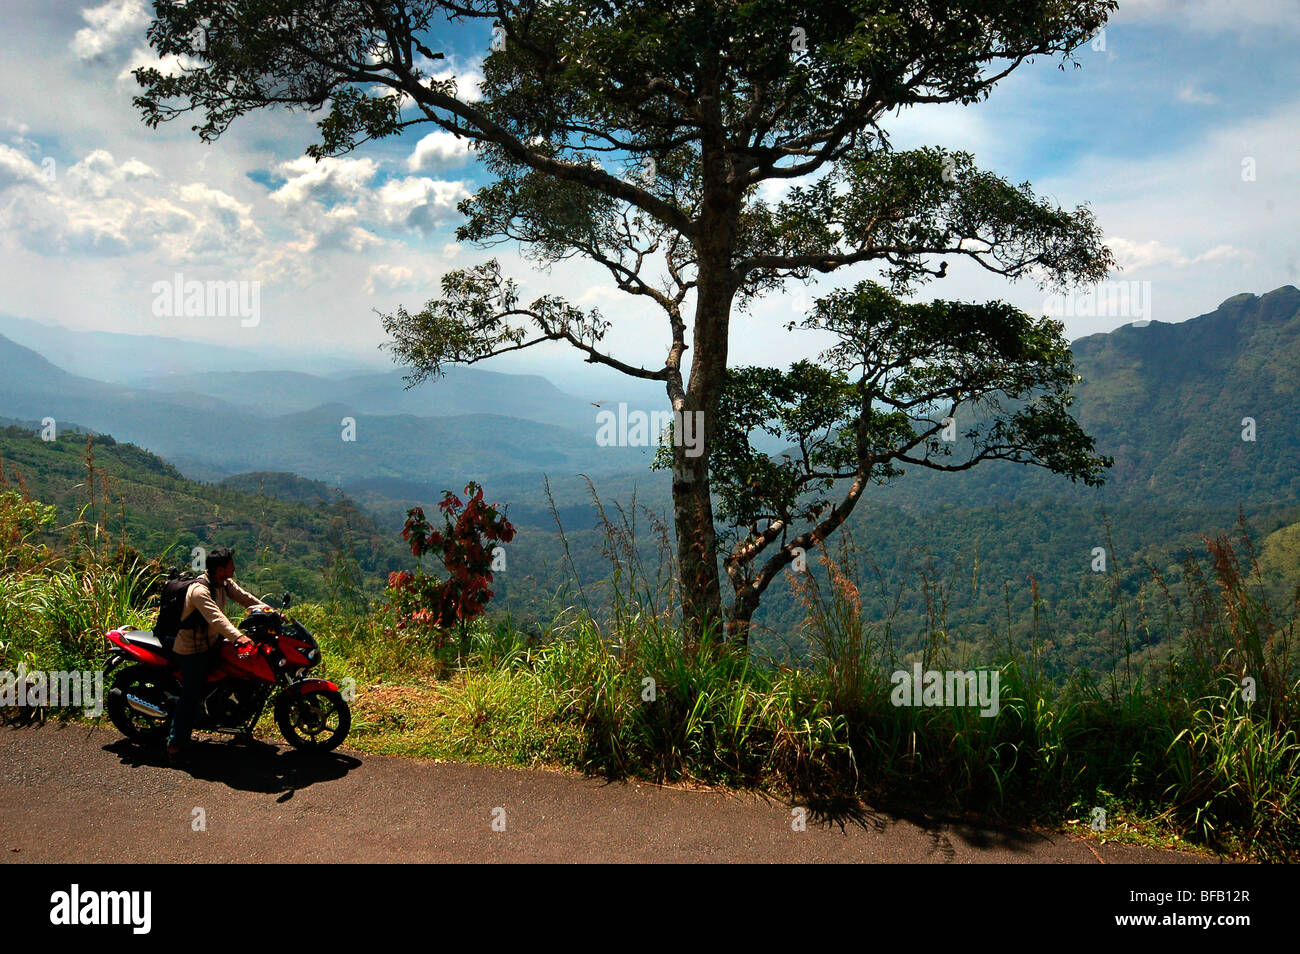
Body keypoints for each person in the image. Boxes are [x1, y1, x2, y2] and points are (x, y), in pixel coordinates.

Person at [165, 547, 272, 765]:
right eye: (232, 565)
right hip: (191, 650)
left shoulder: (224, 583)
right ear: (221, 569)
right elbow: (217, 619)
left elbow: (245, 598)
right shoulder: (199, 591)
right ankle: (174, 745)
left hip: (211, 643)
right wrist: (238, 637)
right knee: (191, 694)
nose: (235, 567)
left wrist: (271, 613)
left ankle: (232, 717)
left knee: (238, 673)